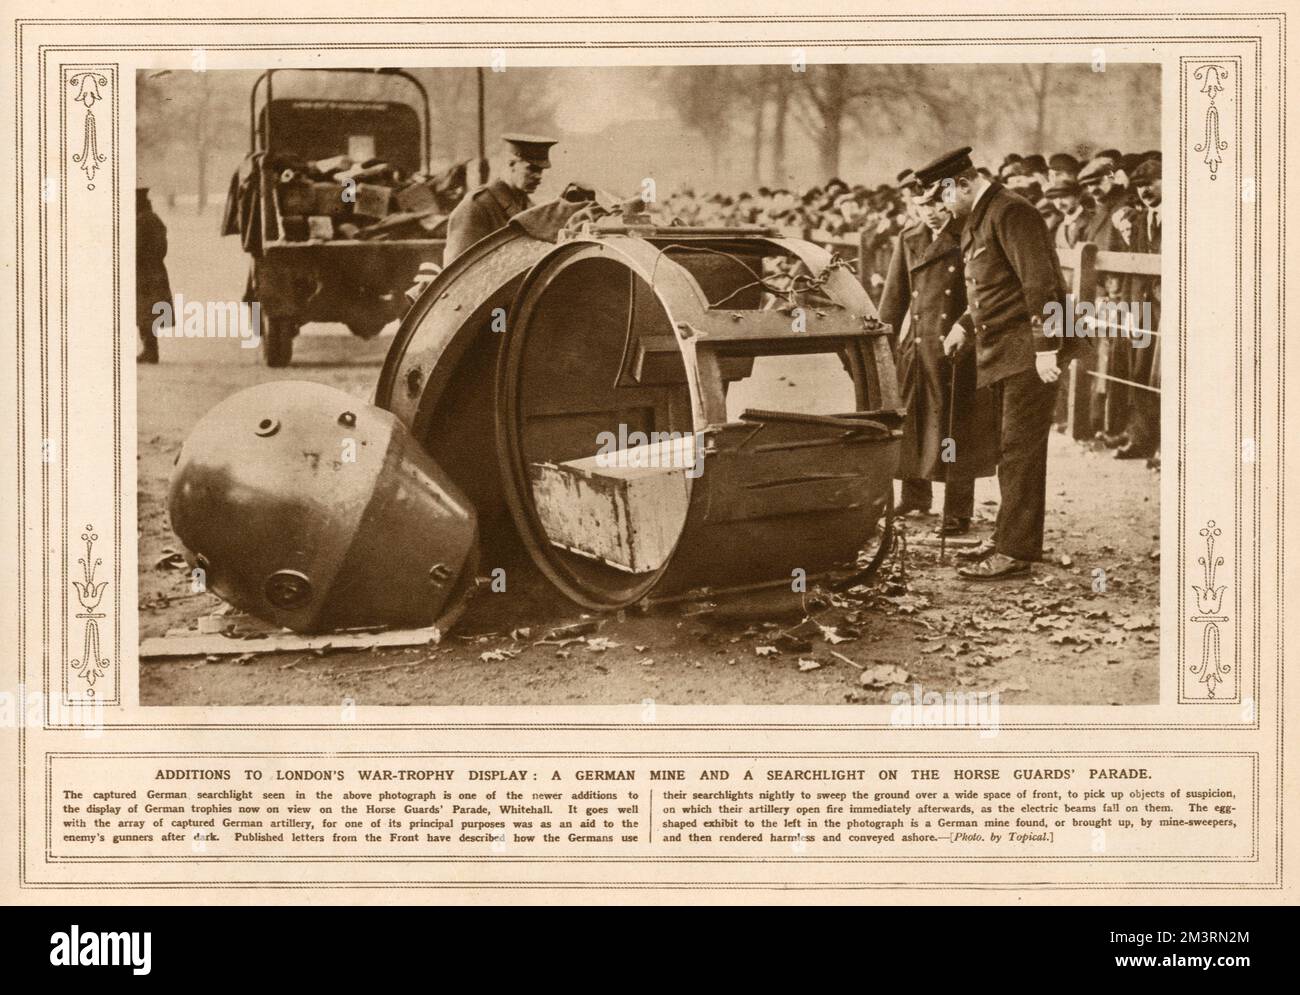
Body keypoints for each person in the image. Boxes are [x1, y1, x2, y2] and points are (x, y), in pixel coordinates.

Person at [917, 146, 1069, 581]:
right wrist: (964, 324)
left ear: (963, 183)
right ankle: (1008, 538)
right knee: (1011, 447)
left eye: (944, 196)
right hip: (1003, 348)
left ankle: (1016, 551)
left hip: (1028, 350)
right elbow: (994, 285)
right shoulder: (982, 214)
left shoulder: (1011, 212)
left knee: (1019, 450)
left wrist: (1045, 347)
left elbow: (1041, 283)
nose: (942, 207)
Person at [879, 173, 997, 536]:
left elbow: (982, 296)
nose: (928, 213)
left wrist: (967, 333)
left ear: (946, 199)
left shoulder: (967, 236)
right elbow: (895, 296)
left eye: (933, 204)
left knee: (955, 427)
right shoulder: (908, 239)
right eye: (920, 205)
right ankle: (915, 494)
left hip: (956, 347)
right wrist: (880, 341)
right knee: (914, 422)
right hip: (916, 346)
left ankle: (957, 510)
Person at [443, 133, 557, 263]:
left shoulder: (529, 206)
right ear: (511, 164)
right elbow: (457, 268)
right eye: (532, 169)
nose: (538, 176)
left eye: (541, 170)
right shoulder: (477, 206)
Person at [136, 187, 171, 364]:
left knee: (145, 313)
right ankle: (150, 350)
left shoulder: (142, 221)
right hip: (154, 271)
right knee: (148, 312)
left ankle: (150, 351)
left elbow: (137, 247)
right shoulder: (152, 218)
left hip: (145, 273)